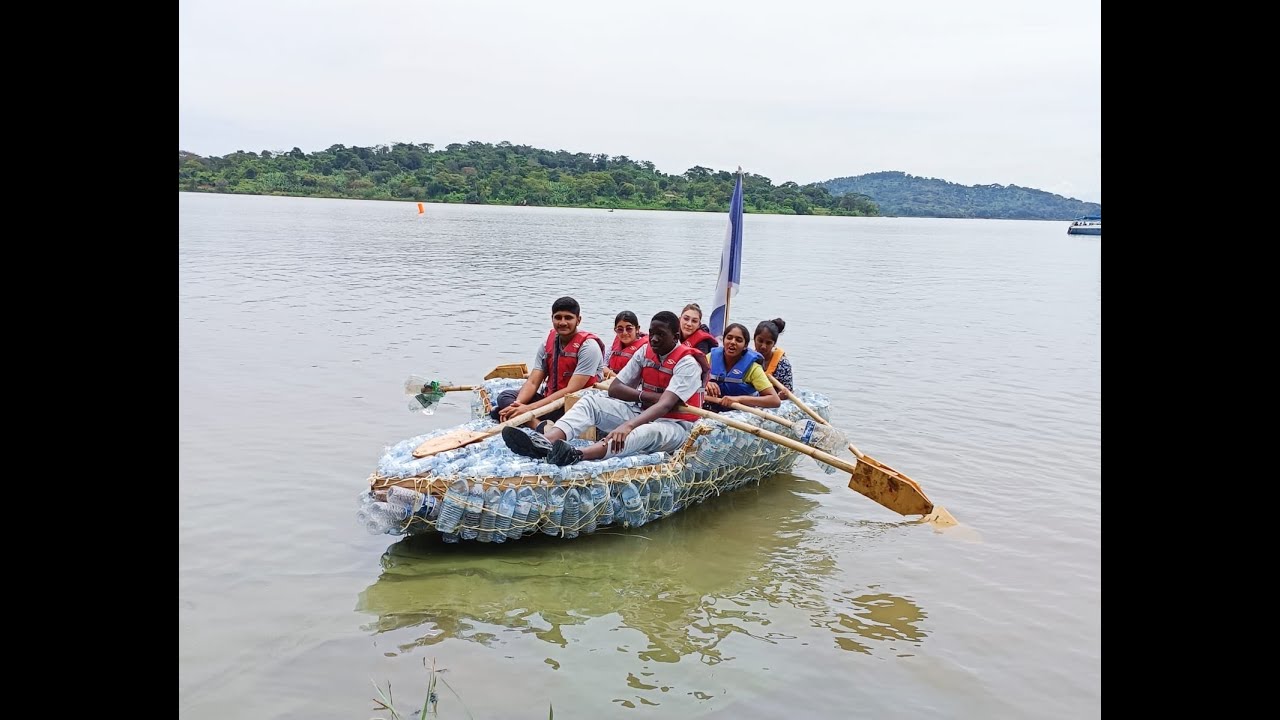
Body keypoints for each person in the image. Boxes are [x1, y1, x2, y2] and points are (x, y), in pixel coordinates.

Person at [501, 311, 703, 466]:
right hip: (641, 410)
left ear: (676, 336)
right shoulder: (645, 350)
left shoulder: (687, 363)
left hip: (675, 425)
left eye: (661, 335)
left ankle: (578, 455)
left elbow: (665, 406)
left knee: (644, 432)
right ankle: (546, 441)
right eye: (651, 334)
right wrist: (646, 396)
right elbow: (615, 388)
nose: (654, 339)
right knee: (590, 402)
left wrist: (628, 425)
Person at [491, 296, 605, 427]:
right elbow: (533, 382)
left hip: (575, 405)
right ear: (552, 318)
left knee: (501, 410)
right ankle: (535, 424)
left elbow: (571, 390)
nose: (562, 322)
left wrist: (529, 408)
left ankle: (532, 424)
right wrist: (517, 406)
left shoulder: (589, 347)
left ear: (578, 320)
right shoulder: (547, 344)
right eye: (558, 317)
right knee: (504, 396)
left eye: (568, 318)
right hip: (550, 400)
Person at [703, 323, 781, 410]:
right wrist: (705, 383)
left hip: (740, 413)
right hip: (711, 407)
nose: (732, 342)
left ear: (745, 346)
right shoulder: (710, 358)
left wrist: (739, 399)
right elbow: (691, 381)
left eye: (739, 340)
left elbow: (775, 400)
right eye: (729, 338)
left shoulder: (753, 368)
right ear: (723, 340)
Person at [603, 310, 648, 378]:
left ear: (637, 329)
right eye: (620, 329)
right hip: (610, 383)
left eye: (629, 329)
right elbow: (603, 366)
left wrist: (610, 374)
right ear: (615, 330)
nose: (624, 333)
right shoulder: (612, 348)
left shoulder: (644, 350)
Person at [752, 318, 793, 392]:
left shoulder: (783, 365)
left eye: (768, 343)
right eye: (760, 341)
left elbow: (788, 391)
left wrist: (782, 395)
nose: (763, 346)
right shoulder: (747, 359)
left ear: (774, 344)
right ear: (754, 339)